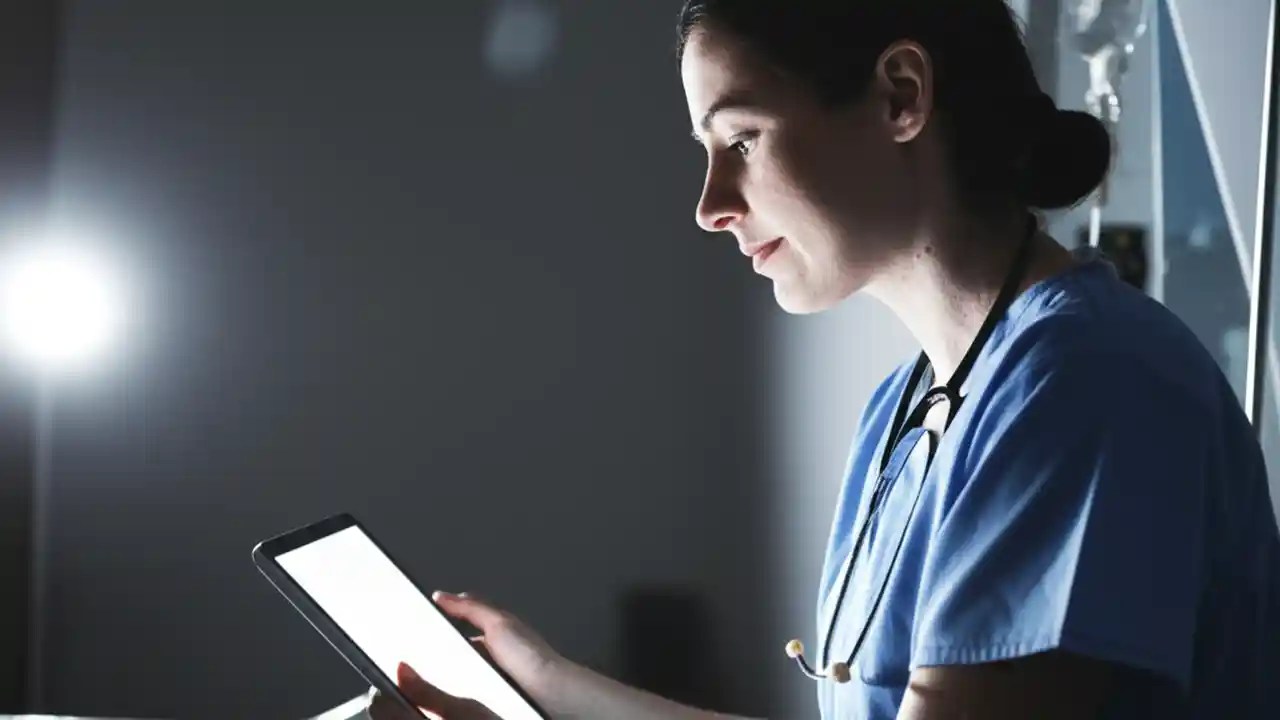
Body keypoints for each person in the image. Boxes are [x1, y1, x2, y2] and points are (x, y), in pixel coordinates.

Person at [371, 0, 1280, 717]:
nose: (710, 204)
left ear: (900, 96)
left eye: (740, 140)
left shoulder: (1087, 381)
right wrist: (550, 686)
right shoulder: (905, 408)